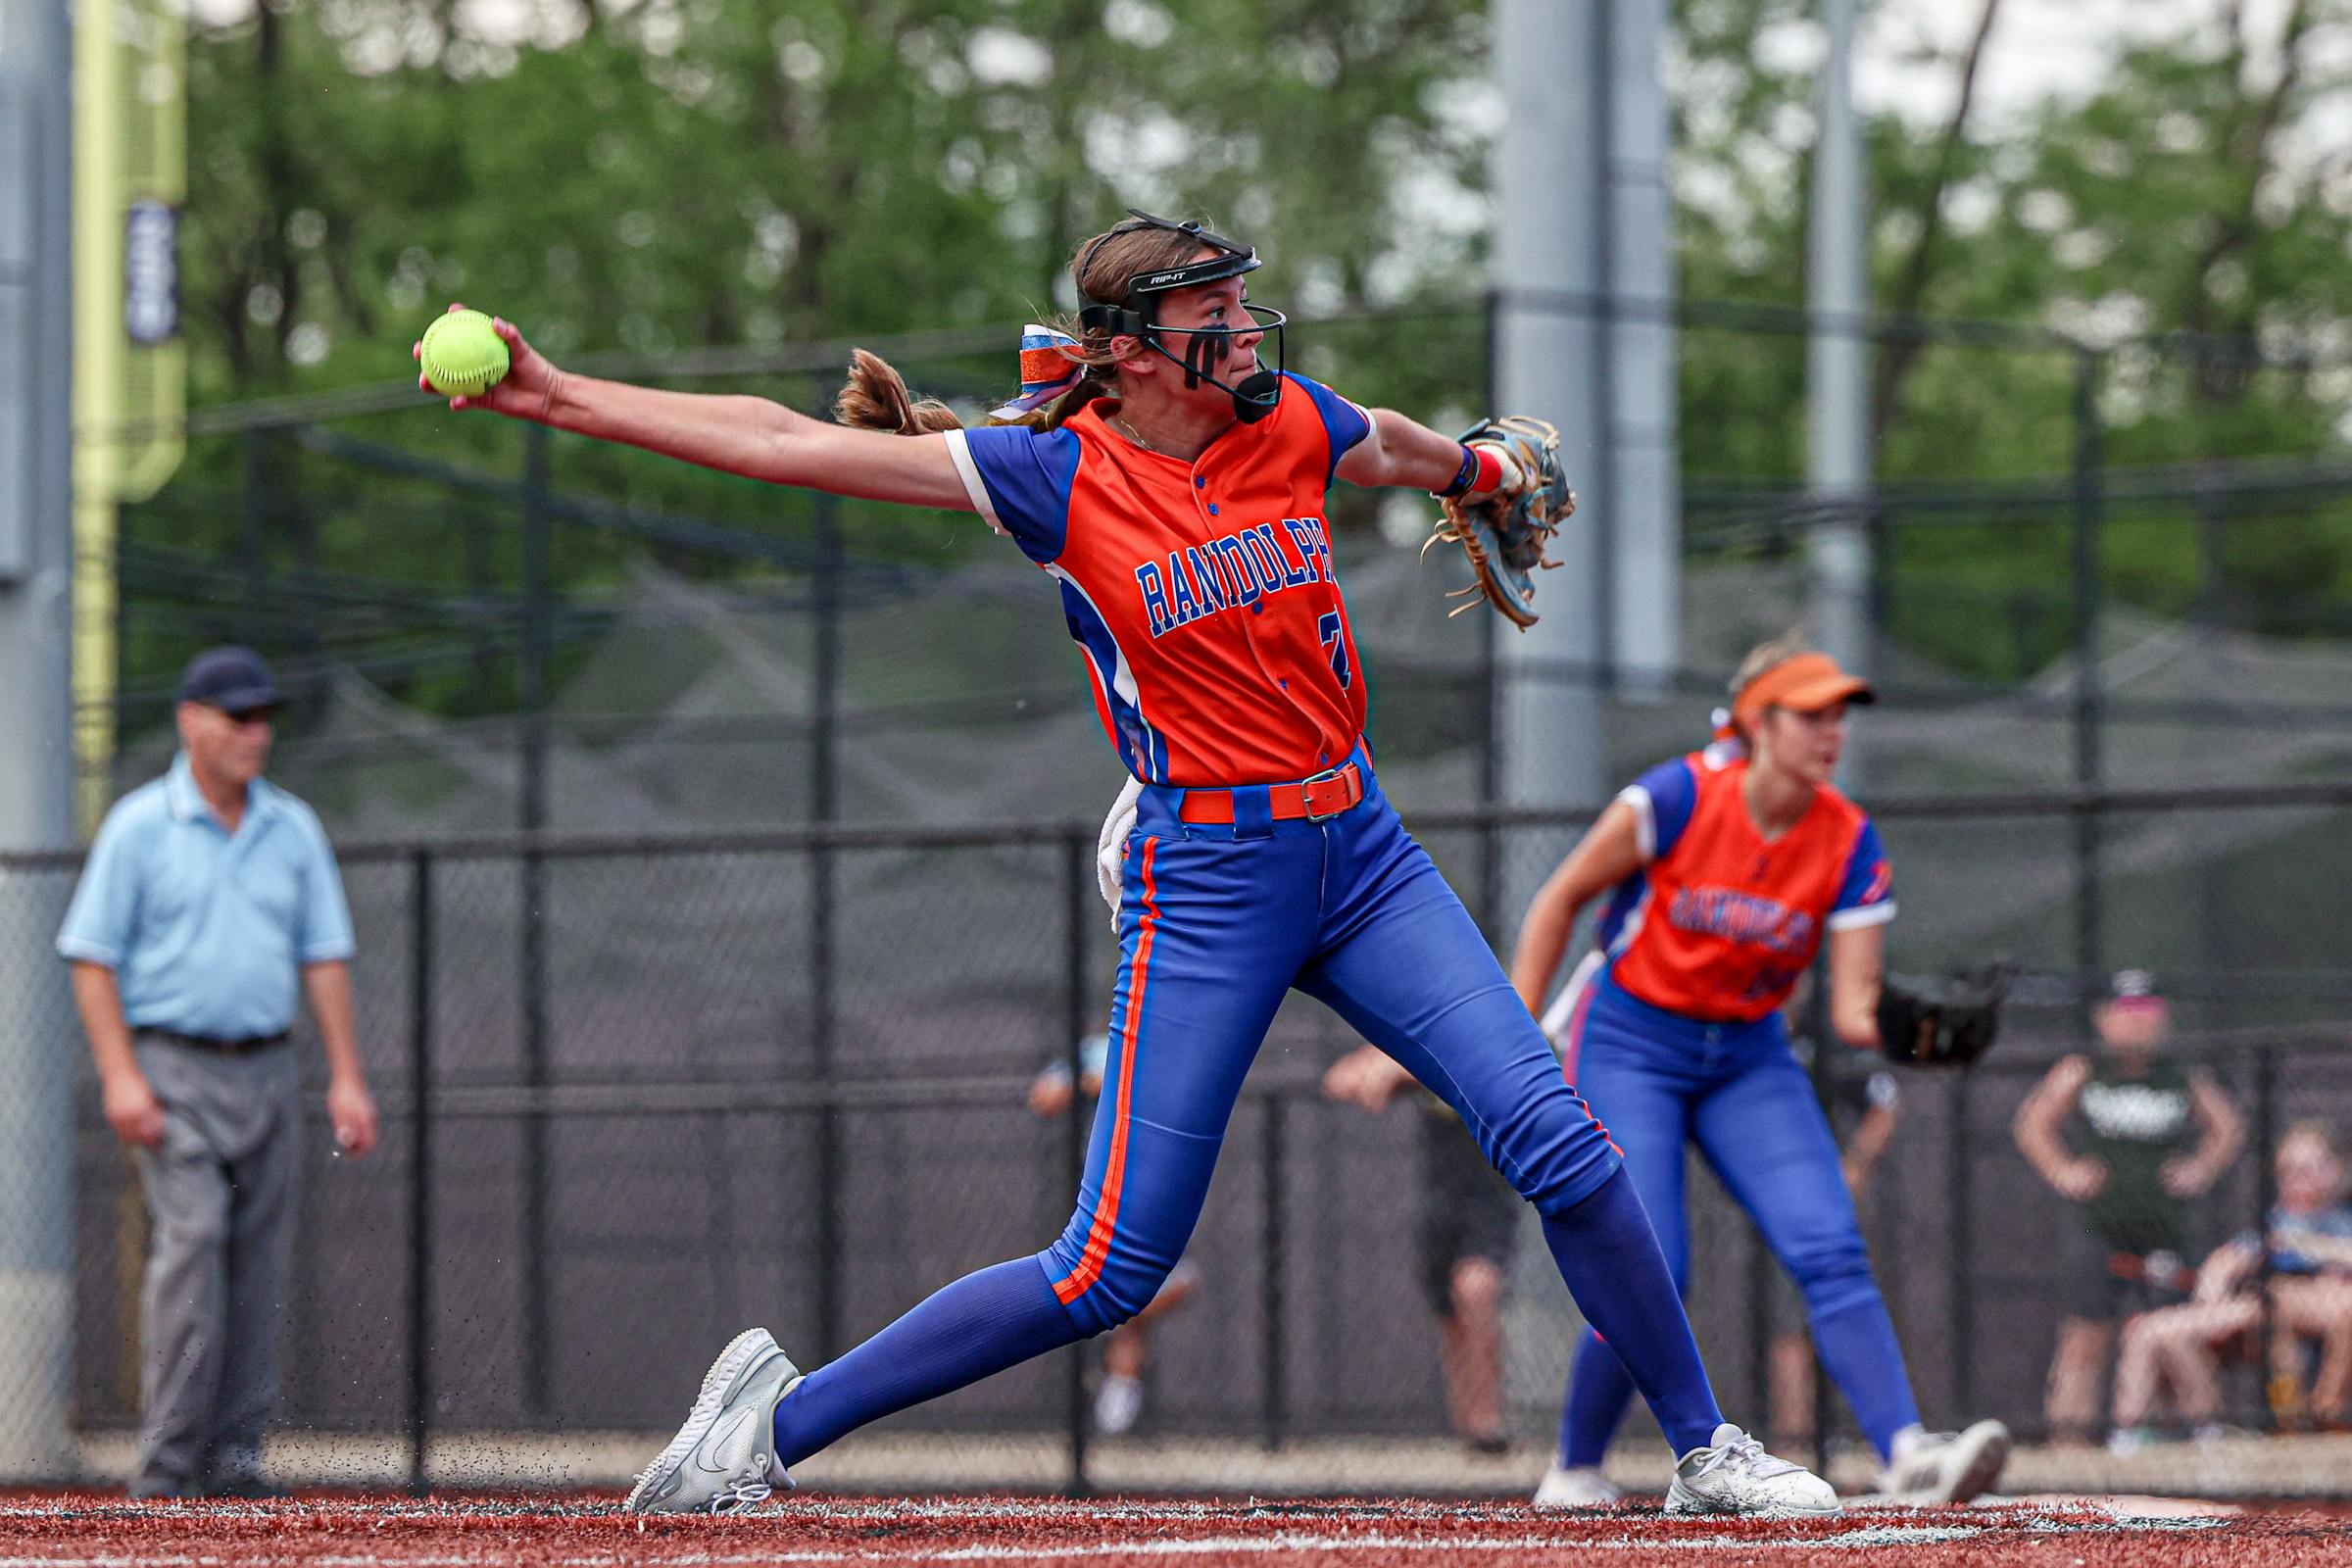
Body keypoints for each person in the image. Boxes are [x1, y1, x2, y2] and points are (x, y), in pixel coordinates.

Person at [420, 208, 1835, 1518]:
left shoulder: (1279, 416)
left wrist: (1477, 467)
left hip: (1361, 853)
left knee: (1560, 1141)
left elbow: (1390, 444)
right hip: (1209, 881)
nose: (1242, 328)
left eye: (1236, 302)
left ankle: (1705, 1450)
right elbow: (783, 444)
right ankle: (772, 1426)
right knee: (1109, 1269)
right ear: (1131, 350)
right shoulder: (1053, 473)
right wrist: (558, 397)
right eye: (1210, 309)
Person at [1509, 634, 2009, 1509]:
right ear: (1758, 723)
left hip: (1746, 1053)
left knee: (1827, 1242)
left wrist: (1921, 1038)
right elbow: (1559, 897)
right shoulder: (1677, 795)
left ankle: (1906, 1454)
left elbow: (1854, 1010)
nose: (1832, 732)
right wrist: (1511, 1031)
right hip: (1633, 1038)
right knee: (1654, 1259)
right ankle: (1576, 1464)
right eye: (1810, 714)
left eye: (1838, 715)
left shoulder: (1848, 838)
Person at [56, 647, 380, 1501]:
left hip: (268, 1069)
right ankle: (167, 1468)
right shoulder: (139, 826)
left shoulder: (291, 827)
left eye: (263, 718)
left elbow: (324, 956)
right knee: (191, 1248)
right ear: (191, 721)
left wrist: (346, 1076)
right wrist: (121, 1076)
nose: (256, 734)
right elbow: (91, 958)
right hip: (173, 1070)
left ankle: (234, 1457)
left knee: (253, 1265)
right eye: (238, 718)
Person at [2012, 970, 2242, 1446]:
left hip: (2165, 1228)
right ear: (2103, 1020)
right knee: (2085, 1338)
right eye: (2126, 1014)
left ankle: (2189, 1445)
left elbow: (2228, 1128)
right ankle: (2067, 1451)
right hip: (2099, 1226)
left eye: (2147, 1013)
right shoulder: (2084, 1070)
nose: (2137, 1024)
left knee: (2174, 1336)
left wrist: (2200, 1168)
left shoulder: (2181, 1075)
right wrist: (2064, 1170)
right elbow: (2032, 1123)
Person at [1323, 1045, 1521, 1454]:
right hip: (1441, 1198)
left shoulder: (1486, 1044)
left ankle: (1489, 1421)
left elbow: (1466, 1059)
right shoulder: (1419, 1050)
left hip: (1489, 1193)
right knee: (1449, 1309)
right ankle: (1469, 1427)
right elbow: (1340, 1079)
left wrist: (1396, 1067)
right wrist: (1376, 1066)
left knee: (1476, 1289)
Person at [2107, 1121, 2352, 1446]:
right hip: (2252, 1309)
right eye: (2289, 1171)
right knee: (2150, 1331)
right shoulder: (2273, 1224)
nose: (2299, 1180)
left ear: (2337, 1171)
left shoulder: (2340, 1221)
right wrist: (2216, 1286)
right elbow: (2224, 1265)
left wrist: (2307, 1248)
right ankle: (2137, 1437)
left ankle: (2324, 1416)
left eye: (2311, 1168)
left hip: (2306, 1310)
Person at [1028, 1033, 1200, 1436]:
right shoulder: (1093, 1048)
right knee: (1114, 1295)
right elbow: (1044, 1096)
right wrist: (1086, 1082)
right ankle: (1115, 1371)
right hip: (1096, 1201)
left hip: (1152, 1193)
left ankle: (1111, 1356)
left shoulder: (1169, 1042)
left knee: (1170, 1286)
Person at [1767, 1011, 1900, 1454]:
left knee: (1844, 1308)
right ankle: (1796, 1445)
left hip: (1829, 1205)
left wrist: (1855, 1167)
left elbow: (1884, 1103)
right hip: (1778, 1201)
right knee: (1789, 1327)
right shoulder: (1753, 1034)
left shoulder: (1832, 1034)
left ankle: (1883, 1439)